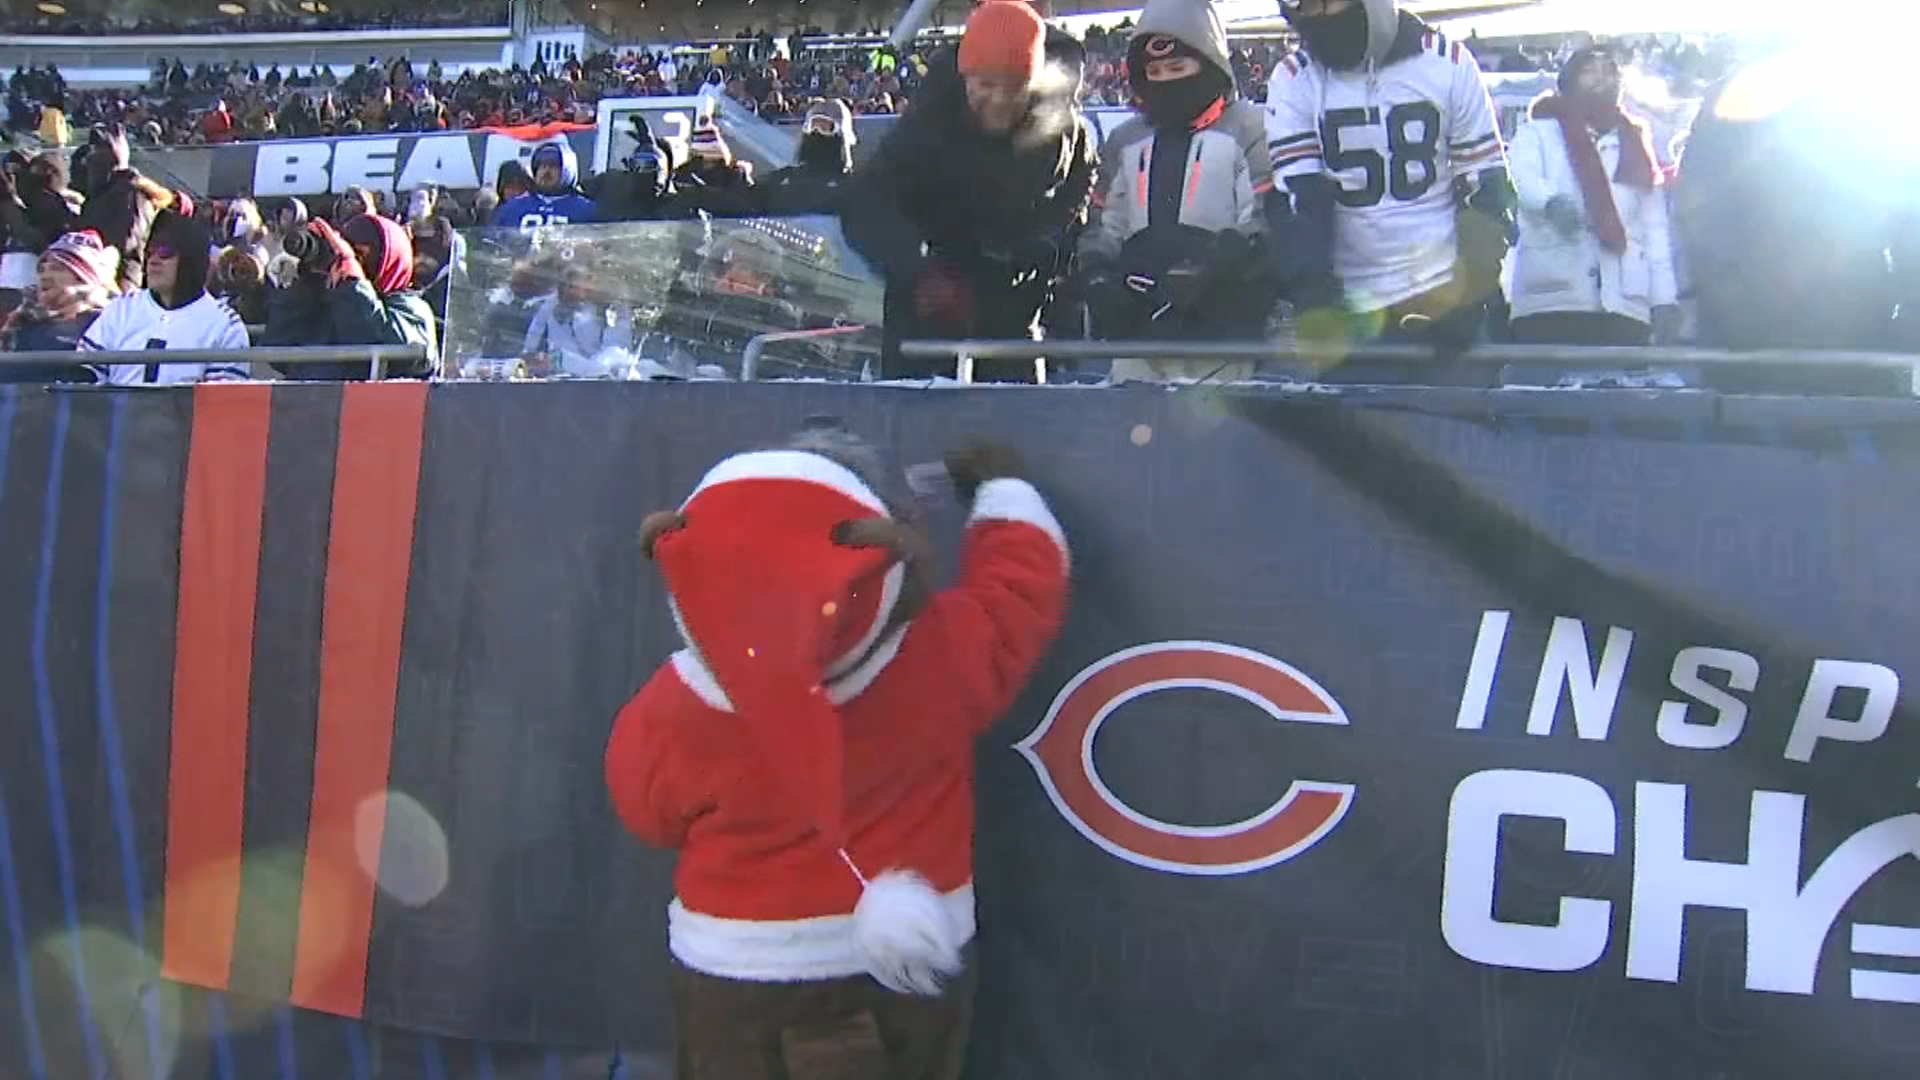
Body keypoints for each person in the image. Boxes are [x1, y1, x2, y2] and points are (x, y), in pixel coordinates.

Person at [606, 431, 1069, 1080]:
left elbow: (648, 817)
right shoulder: (935, 655)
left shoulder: (673, 710)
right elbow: (1021, 589)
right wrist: (1002, 488)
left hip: (738, 979)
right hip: (907, 967)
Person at [842, 1, 1098, 380]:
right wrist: (919, 269)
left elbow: (1077, 192)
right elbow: (866, 203)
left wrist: (1047, 246)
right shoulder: (925, 127)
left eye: (1013, 86)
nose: (997, 98)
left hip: (1013, 321)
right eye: (985, 85)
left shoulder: (1064, 132)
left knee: (1014, 431)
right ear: (965, 79)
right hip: (926, 324)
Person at [1264, 0, 1513, 352]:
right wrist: (1318, 301)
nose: (1316, 19)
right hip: (1350, 311)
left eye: (1328, 3)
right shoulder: (1294, 77)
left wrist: (1471, 292)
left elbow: (1486, 188)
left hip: (1447, 296)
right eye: (1306, 7)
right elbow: (1300, 203)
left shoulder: (1447, 62)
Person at [1077, 0, 1277, 373]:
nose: (1167, 79)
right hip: (1139, 331)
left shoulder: (1250, 128)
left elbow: (1263, 220)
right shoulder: (1125, 140)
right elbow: (1104, 226)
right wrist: (1099, 275)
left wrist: (1215, 268)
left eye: (1178, 67)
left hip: (1222, 334)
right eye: (1155, 70)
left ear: (1209, 63)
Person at [1505, 45, 1679, 346]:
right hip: (1553, 300)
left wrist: (1664, 298)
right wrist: (1551, 203)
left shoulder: (1636, 145)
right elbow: (1522, 180)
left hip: (1625, 304)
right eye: (1589, 70)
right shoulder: (1539, 133)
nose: (1601, 77)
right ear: (1569, 80)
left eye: (1609, 69)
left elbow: (1655, 231)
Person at [79, 209, 251, 384]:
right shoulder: (120, 309)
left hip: (185, 412)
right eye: (150, 252)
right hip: (116, 411)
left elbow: (222, 403)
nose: (153, 260)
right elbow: (85, 378)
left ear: (190, 258)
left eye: (165, 252)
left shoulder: (225, 325)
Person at [261, 213, 437, 380]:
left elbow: (385, 347)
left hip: (375, 409)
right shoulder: (331, 300)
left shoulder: (413, 309)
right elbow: (278, 352)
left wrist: (352, 282)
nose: (355, 262)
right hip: (310, 406)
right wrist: (304, 283)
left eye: (361, 255)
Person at [0, 230, 118, 379]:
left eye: (57, 268)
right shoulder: (21, 320)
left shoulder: (108, 323)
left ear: (82, 278)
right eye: (41, 270)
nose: (45, 276)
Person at [758, 98, 856, 216]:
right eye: (813, 126)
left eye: (824, 128)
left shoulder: (850, 183)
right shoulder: (788, 176)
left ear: (840, 133)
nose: (817, 132)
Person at [492, 141, 597, 230]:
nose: (546, 171)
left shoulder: (587, 210)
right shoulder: (511, 208)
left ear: (568, 170)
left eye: (554, 165)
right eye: (542, 165)